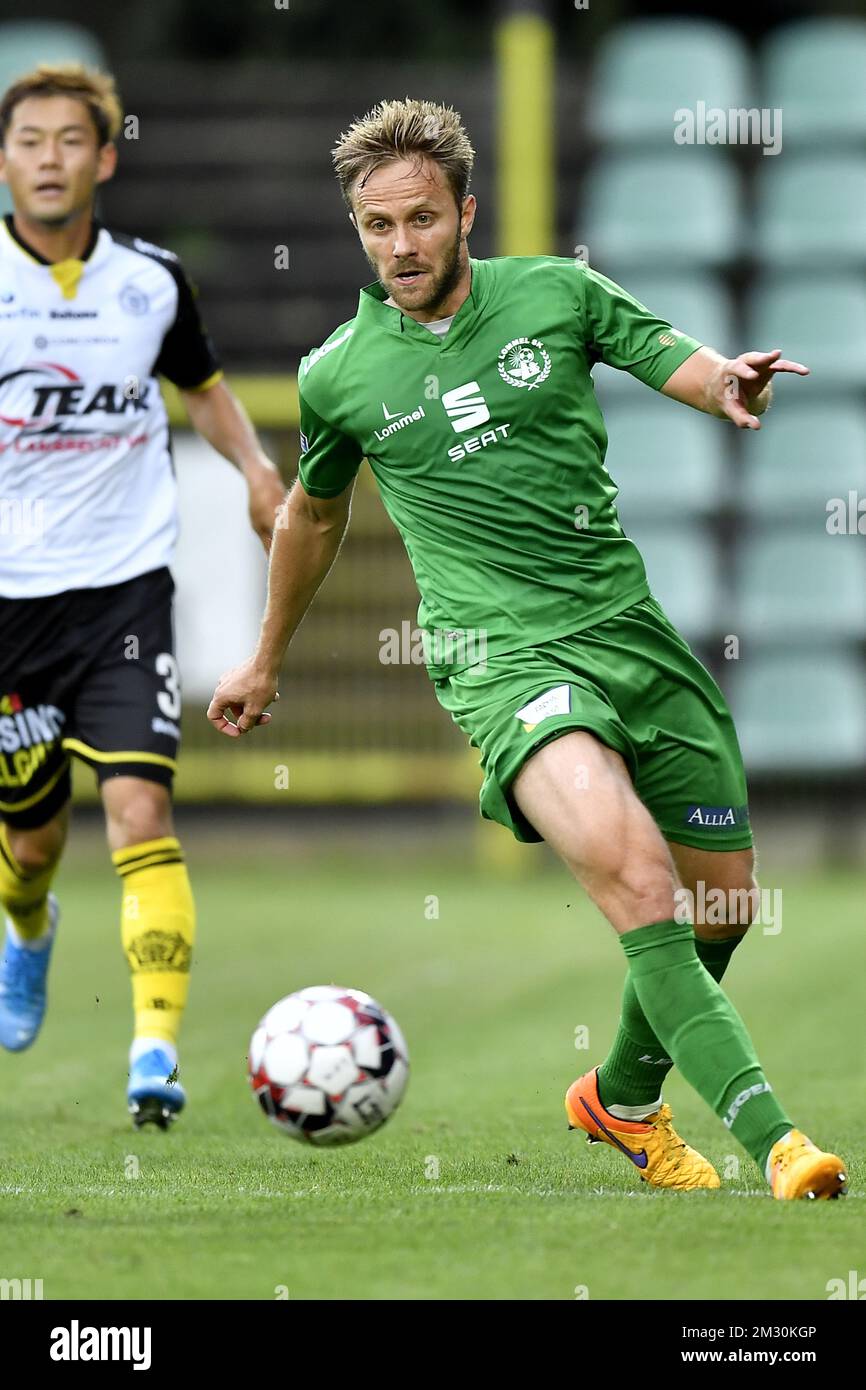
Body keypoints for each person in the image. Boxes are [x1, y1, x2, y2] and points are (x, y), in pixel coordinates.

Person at [208, 98, 846, 1199]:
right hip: (498, 659)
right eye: (375, 226)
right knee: (638, 882)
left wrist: (720, 384)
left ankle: (619, 1098)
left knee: (724, 906)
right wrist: (264, 656)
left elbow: (666, 354)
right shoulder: (338, 375)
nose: (399, 247)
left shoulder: (553, 291)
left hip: (630, 635)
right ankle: (778, 1145)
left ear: (464, 209)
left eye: (418, 219)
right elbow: (314, 515)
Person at [0, 64, 285, 1127]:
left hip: (124, 594)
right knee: (29, 843)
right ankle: (27, 929)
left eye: (69, 141)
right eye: (28, 140)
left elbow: (201, 386)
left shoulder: (151, 282)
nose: (48, 159)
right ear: (5, 158)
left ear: (104, 157)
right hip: (11, 605)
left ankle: (153, 1049)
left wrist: (257, 472)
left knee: (138, 806)